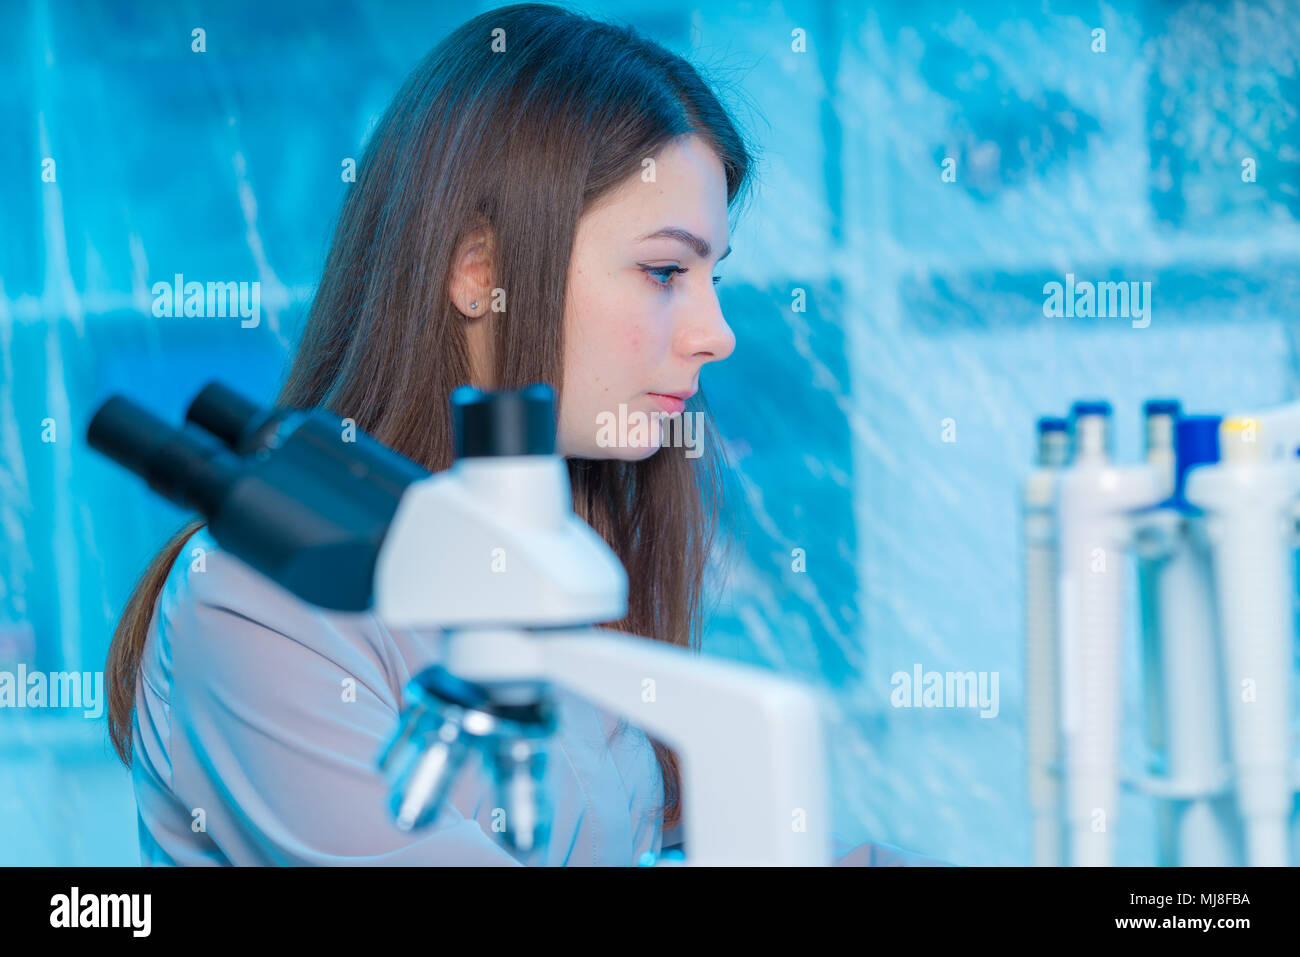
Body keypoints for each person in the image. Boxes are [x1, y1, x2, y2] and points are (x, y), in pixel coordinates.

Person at [106, 1, 939, 866]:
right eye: (664, 270)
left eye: (711, 276)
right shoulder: (258, 598)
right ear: (481, 271)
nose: (716, 332)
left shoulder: (563, 549)